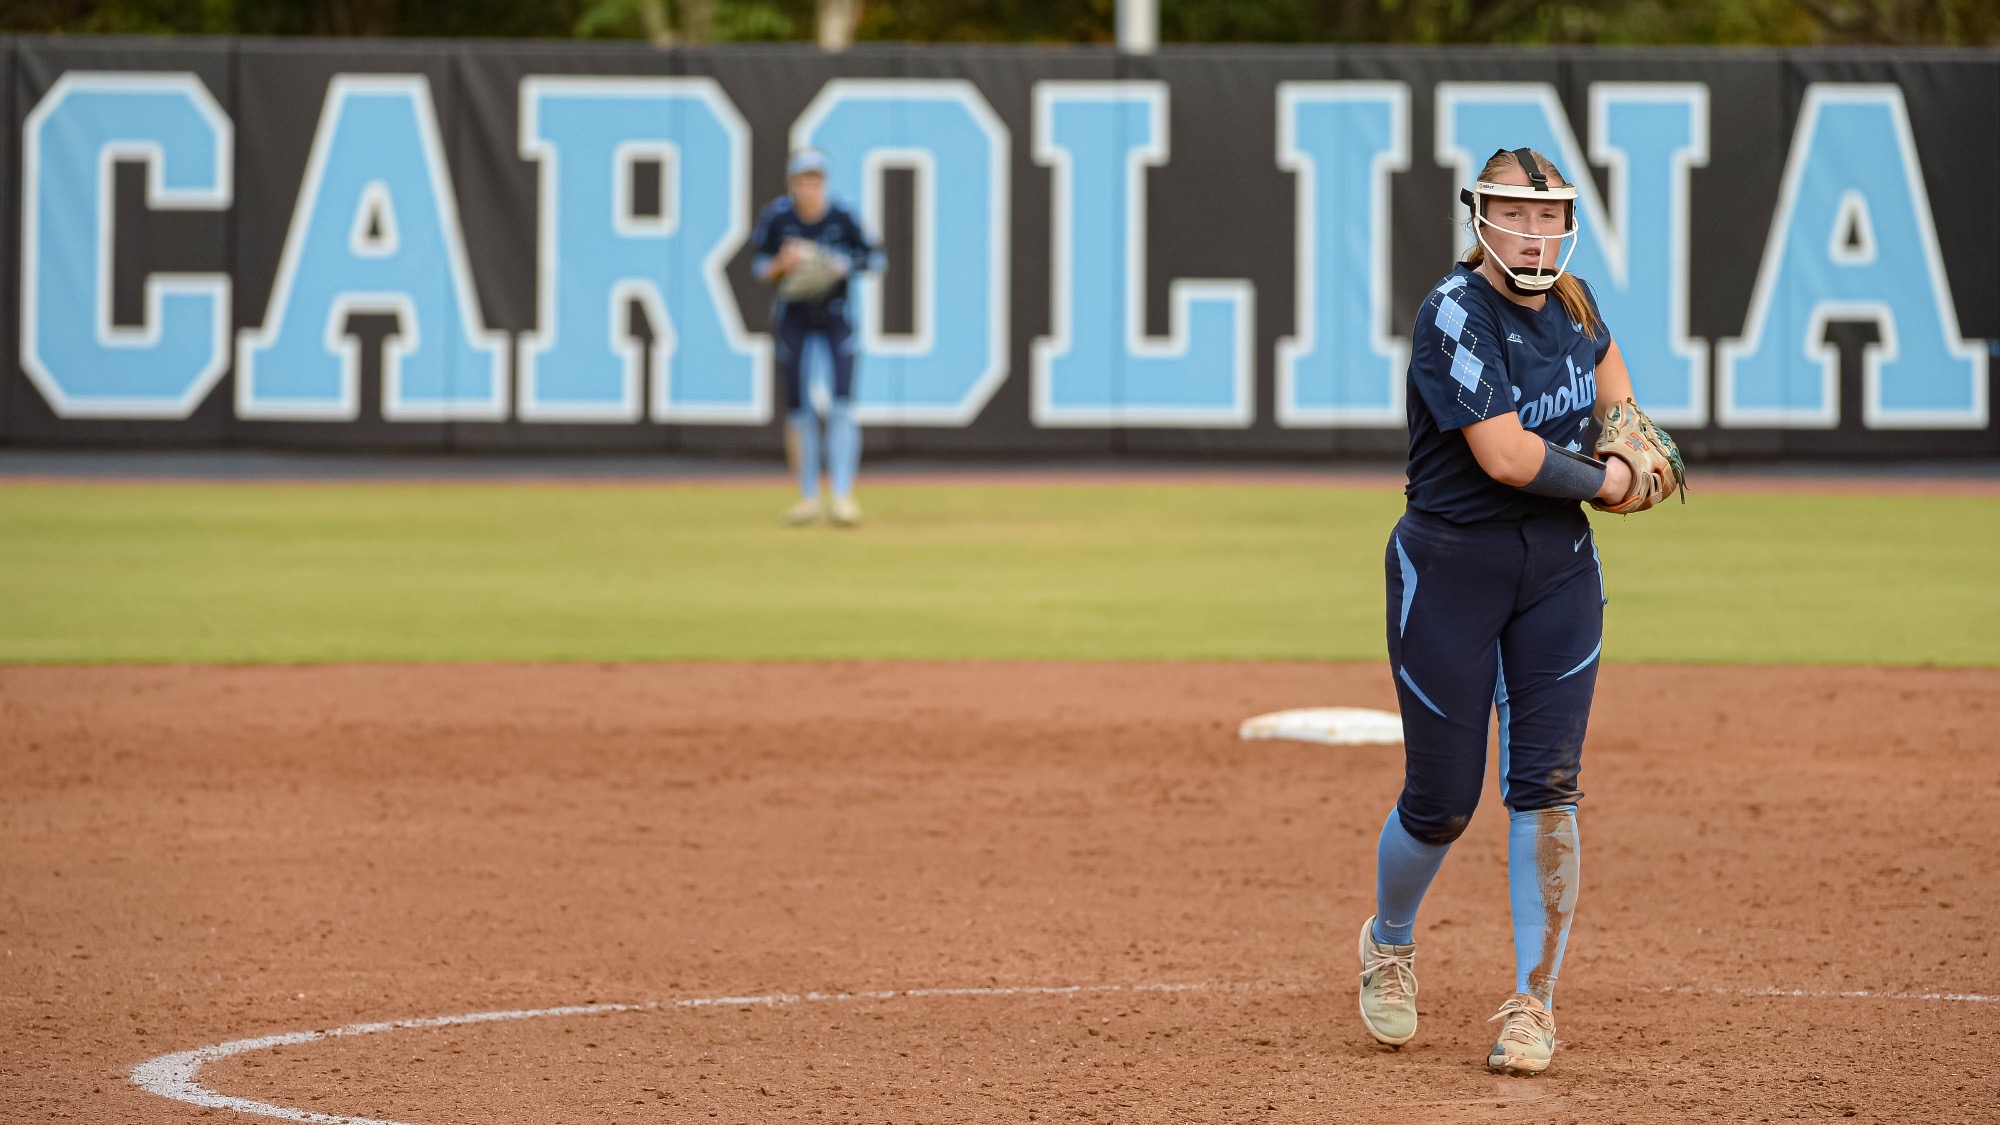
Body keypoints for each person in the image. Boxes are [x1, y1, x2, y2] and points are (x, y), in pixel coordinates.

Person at [1354, 147, 1677, 1075]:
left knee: (1549, 783)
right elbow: (1503, 456)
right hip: (1449, 567)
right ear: (1479, 216)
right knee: (1442, 800)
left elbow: (1621, 405)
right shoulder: (1452, 311)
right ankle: (1390, 939)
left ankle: (1534, 1003)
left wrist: (1639, 444)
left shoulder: (1576, 308)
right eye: (1514, 214)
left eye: (1548, 217)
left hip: (1558, 571)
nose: (1534, 233)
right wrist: (1614, 479)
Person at [752, 149, 880, 528]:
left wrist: (838, 264)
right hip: (795, 315)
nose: (808, 188)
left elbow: (875, 258)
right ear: (792, 184)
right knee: (799, 407)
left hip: (835, 315)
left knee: (841, 403)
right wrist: (782, 265)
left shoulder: (842, 215)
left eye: (815, 180)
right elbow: (759, 265)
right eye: (802, 180)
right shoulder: (778, 217)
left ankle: (842, 494)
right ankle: (807, 495)